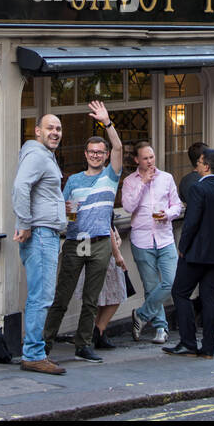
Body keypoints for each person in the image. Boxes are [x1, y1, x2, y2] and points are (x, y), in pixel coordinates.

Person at [43, 101, 122, 364]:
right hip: (76, 241)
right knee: (62, 296)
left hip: (99, 242)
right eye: (91, 152)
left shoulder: (111, 177)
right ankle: (44, 345)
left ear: (107, 155)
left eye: (100, 152)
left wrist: (107, 122)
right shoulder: (74, 180)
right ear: (85, 154)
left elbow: (120, 146)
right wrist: (65, 210)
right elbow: (61, 213)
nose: (95, 155)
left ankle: (83, 344)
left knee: (91, 299)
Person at [165, 147, 214, 359]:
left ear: (206, 166)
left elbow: (191, 222)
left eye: (198, 163)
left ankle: (188, 343)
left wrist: (182, 247)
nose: (196, 167)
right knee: (209, 296)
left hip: (197, 252)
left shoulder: (198, 189)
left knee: (180, 292)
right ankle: (208, 348)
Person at [12, 114, 67, 375]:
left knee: (41, 295)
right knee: (41, 296)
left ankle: (35, 351)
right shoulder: (36, 155)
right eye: (49, 128)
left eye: (58, 128)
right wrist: (24, 223)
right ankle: (33, 354)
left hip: (46, 233)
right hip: (41, 234)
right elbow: (20, 186)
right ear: (37, 131)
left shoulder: (45, 155)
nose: (55, 132)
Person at [121, 140, 183, 344]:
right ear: (137, 160)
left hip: (165, 238)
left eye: (152, 157)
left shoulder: (166, 178)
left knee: (170, 282)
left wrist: (168, 214)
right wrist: (143, 183)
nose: (149, 161)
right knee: (151, 286)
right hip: (142, 239)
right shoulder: (130, 181)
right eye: (145, 158)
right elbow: (129, 207)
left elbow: (177, 205)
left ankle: (141, 315)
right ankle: (161, 329)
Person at [85, 224, 128, 350]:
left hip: (95, 248)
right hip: (102, 250)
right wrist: (117, 253)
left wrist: (116, 237)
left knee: (102, 296)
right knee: (115, 294)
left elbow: (110, 225)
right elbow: (106, 227)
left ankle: (98, 332)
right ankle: (99, 330)